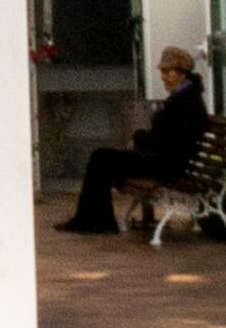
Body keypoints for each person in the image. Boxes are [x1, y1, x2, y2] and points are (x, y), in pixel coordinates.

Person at [66, 46, 210, 238]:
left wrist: (141, 139)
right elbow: (165, 136)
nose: (163, 76)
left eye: (168, 72)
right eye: (163, 72)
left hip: (166, 166)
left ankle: (96, 221)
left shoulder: (187, 104)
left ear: (182, 74)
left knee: (101, 158)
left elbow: (171, 141)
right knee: (101, 157)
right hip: (161, 160)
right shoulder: (182, 98)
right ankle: (92, 220)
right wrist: (141, 138)